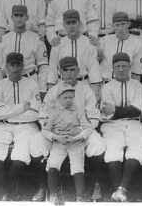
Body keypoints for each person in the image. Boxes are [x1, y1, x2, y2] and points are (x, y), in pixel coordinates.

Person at [40, 56, 106, 202]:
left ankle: (94, 183)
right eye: (65, 70)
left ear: (78, 70)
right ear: (59, 72)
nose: (69, 73)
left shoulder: (86, 89)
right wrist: (55, 134)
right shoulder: (54, 91)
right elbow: (44, 116)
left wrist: (80, 132)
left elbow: (93, 116)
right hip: (57, 132)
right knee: (39, 144)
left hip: (82, 130)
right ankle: (47, 188)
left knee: (98, 145)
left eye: (72, 70)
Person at [0, 52, 43, 201]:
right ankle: (3, 195)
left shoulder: (32, 83)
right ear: (6, 67)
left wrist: (8, 112)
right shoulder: (0, 85)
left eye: (18, 64)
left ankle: (10, 193)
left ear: (23, 66)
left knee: (20, 157)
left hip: (27, 126)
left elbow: (35, 112)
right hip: (4, 125)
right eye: (12, 65)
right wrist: (20, 109)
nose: (15, 68)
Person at [100, 52, 142, 202]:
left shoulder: (138, 85)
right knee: (113, 149)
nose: (121, 69)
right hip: (112, 125)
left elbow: (137, 110)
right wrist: (120, 111)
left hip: (134, 122)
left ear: (130, 67)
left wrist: (116, 109)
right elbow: (107, 113)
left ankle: (121, 189)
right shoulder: (107, 87)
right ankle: (118, 190)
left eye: (124, 66)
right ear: (112, 68)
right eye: (117, 66)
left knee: (135, 149)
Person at [41, 86, 93, 203]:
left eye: (71, 97)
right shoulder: (53, 112)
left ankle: (80, 196)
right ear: (59, 99)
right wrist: (56, 137)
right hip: (59, 142)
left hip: (75, 141)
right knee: (53, 164)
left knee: (77, 166)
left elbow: (88, 128)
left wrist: (77, 136)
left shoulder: (78, 110)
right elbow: (45, 130)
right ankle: (53, 195)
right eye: (65, 98)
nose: (68, 100)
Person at [47, 10, 102, 99]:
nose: (71, 26)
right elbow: (52, 69)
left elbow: (93, 69)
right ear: (64, 25)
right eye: (68, 23)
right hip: (63, 85)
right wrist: (51, 91)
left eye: (74, 22)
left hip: (83, 84)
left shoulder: (88, 43)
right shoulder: (58, 44)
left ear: (79, 24)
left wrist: (95, 92)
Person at [0, 5, 48, 92]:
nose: (19, 19)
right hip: (8, 82)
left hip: (30, 80)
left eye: (21, 16)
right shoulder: (4, 39)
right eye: (16, 15)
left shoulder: (36, 39)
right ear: (12, 17)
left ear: (27, 17)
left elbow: (43, 66)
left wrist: (42, 89)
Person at [97, 11, 142, 82]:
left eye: (123, 24)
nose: (120, 28)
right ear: (113, 26)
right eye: (117, 25)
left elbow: (137, 72)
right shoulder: (104, 41)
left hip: (126, 84)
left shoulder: (137, 43)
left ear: (128, 24)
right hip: (106, 83)